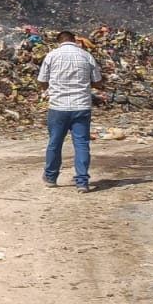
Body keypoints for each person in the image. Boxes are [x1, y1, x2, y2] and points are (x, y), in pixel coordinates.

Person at [37, 31, 104, 192]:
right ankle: (82, 182)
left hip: (58, 108)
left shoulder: (52, 56)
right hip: (81, 107)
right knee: (81, 144)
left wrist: (53, 87)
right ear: (75, 41)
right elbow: (98, 83)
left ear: (58, 42)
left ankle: (51, 177)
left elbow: (41, 81)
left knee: (55, 142)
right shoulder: (86, 56)